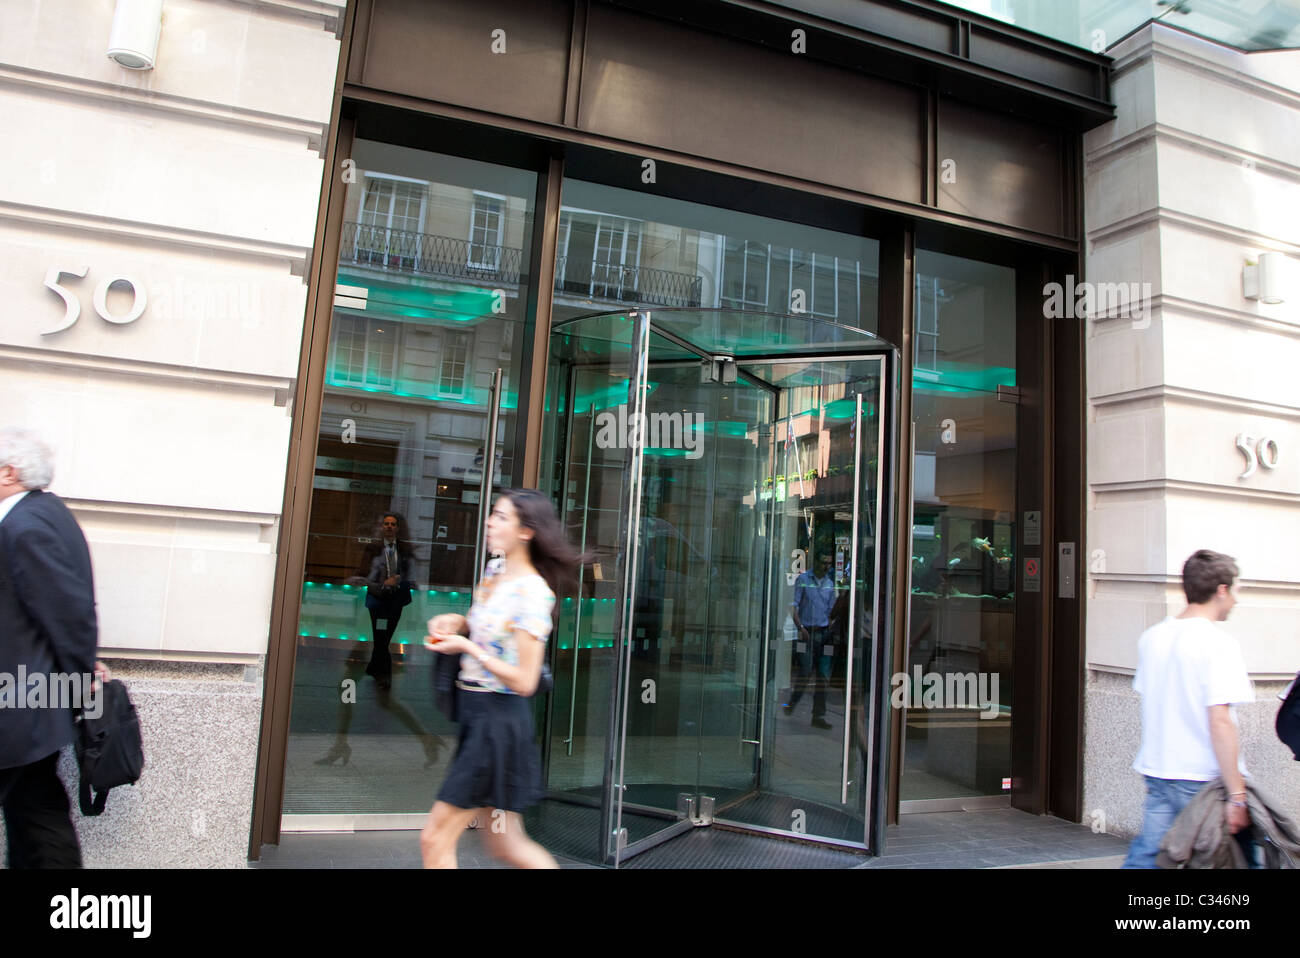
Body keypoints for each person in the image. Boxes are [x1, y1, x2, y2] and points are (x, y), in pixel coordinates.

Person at [419, 489, 584, 869]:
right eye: (493, 515)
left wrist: (468, 648)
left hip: (497, 722)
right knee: (506, 843)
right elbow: (487, 632)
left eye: (501, 517)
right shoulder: (495, 571)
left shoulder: (532, 594)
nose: (490, 522)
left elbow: (526, 680)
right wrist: (457, 623)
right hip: (481, 718)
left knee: (435, 839)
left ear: (527, 531)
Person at [0, 427, 102, 868]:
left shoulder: (25, 525)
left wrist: (80, 686)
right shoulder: (45, 514)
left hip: (18, 705)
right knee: (37, 817)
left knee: (37, 818)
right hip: (29, 709)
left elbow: (70, 614)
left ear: (9, 472)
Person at [1122, 549, 1256, 868]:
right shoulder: (1219, 644)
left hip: (1158, 770)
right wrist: (1237, 795)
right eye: (1235, 591)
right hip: (1203, 777)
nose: (1236, 600)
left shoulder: (1151, 638)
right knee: (1239, 858)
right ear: (1221, 591)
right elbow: (1220, 721)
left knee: (1149, 855)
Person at [362, 512, 415, 691]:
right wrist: (383, 585)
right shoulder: (372, 549)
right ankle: (384, 676)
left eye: (393, 524)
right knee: (380, 638)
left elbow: (410, 574)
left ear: (398, 528)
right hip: (377, 599)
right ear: (381, 527)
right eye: (386, 524)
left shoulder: (404, 550)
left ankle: (374, 668)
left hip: (395, 600)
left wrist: (399, 581)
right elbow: (365, 575)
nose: (389, 527)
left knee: (385, 637)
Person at [785, 552, 837, 729]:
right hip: (807, 632)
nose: (826, 567)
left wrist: (831, 626)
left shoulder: (830, 584)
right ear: (816, 562)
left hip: (823, 633)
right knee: (805, 672)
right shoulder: (804, 580)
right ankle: (793, 701)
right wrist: (800, 628)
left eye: (829, 563)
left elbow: (832, 610)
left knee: (823, 676)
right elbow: (793, 605)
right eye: (824, 562)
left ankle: (818, 715)